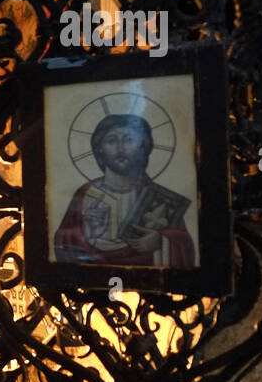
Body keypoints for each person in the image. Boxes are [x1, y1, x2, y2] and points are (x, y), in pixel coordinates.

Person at [53, 114, 195, 267]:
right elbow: (64, 243)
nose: (120, 148)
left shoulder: (159, 199)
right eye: (111, 140)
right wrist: (89, 234)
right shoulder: (86, 195)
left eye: (129, 140)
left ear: (143, 146)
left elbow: (184, 245)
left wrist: (161, 241)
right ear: (99, 148)